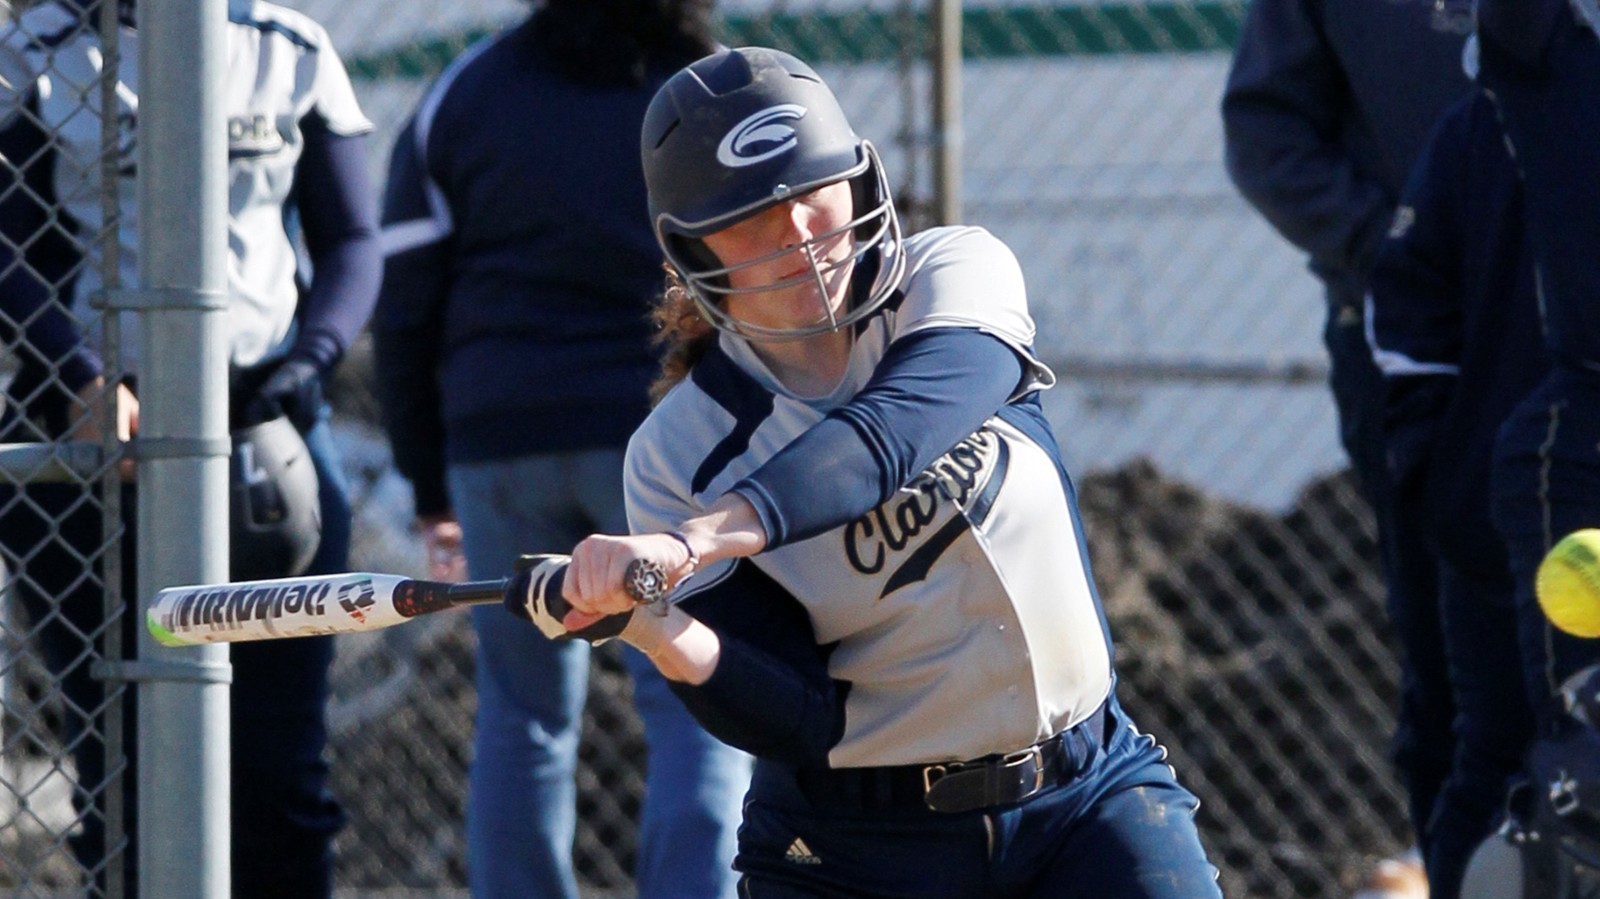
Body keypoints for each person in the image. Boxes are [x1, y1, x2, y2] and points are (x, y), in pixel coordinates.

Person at [513, 45, 1224, 898]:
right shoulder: (678, 450)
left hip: (1088, 794)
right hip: (859, 847)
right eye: (754, 214)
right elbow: (796, 712)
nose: (801, 233)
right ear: (692, 248)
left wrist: (696, 538)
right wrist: (645, 623)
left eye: (814, 191)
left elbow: (889, 434)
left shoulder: (949, 276)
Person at [0, 0, 381, 895]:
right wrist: (79, 374)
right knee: (121, 775)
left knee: (281, 773)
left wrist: (311, 361)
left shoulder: (288, 45)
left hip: (265, 432)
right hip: (92, 440)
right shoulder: (34, 52)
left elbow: (354, 237)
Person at [370, 2, 751, 896]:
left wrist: (430, 482)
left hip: (500, 444)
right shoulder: (710, 88)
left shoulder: (468, 91)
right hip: (665, 444)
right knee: (695, 702)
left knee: (524, 713)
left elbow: (404, 306)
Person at [1220, 0, 1475, 875]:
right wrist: (1396, 255)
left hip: (1571, 341)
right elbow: (1264, 138)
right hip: (1410, 362)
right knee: (1453, 665)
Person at [1365, 82, 1548, 899]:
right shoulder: (1481, 126)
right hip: (1494, 534)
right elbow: (1406, 306)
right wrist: (1452, 474)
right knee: (1492, 761)